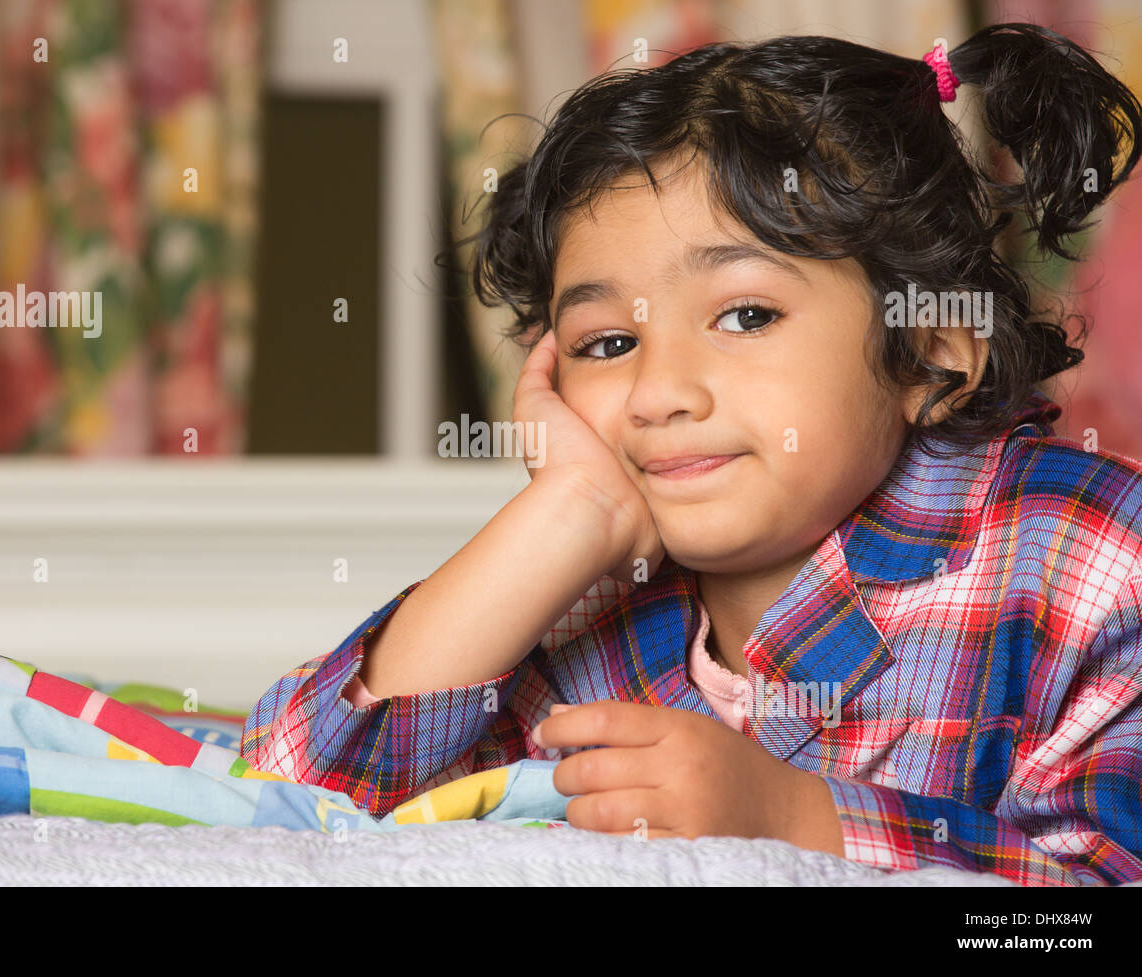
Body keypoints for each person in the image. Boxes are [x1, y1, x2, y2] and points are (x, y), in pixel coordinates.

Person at [242, 23, 1142, 886]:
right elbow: (289, 802)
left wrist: (795, 821)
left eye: (745, 315)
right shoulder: (581, 594)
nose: (659, 390)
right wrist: (570, 514)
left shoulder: (1089, 555)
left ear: (933, 349)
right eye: (605, 343)